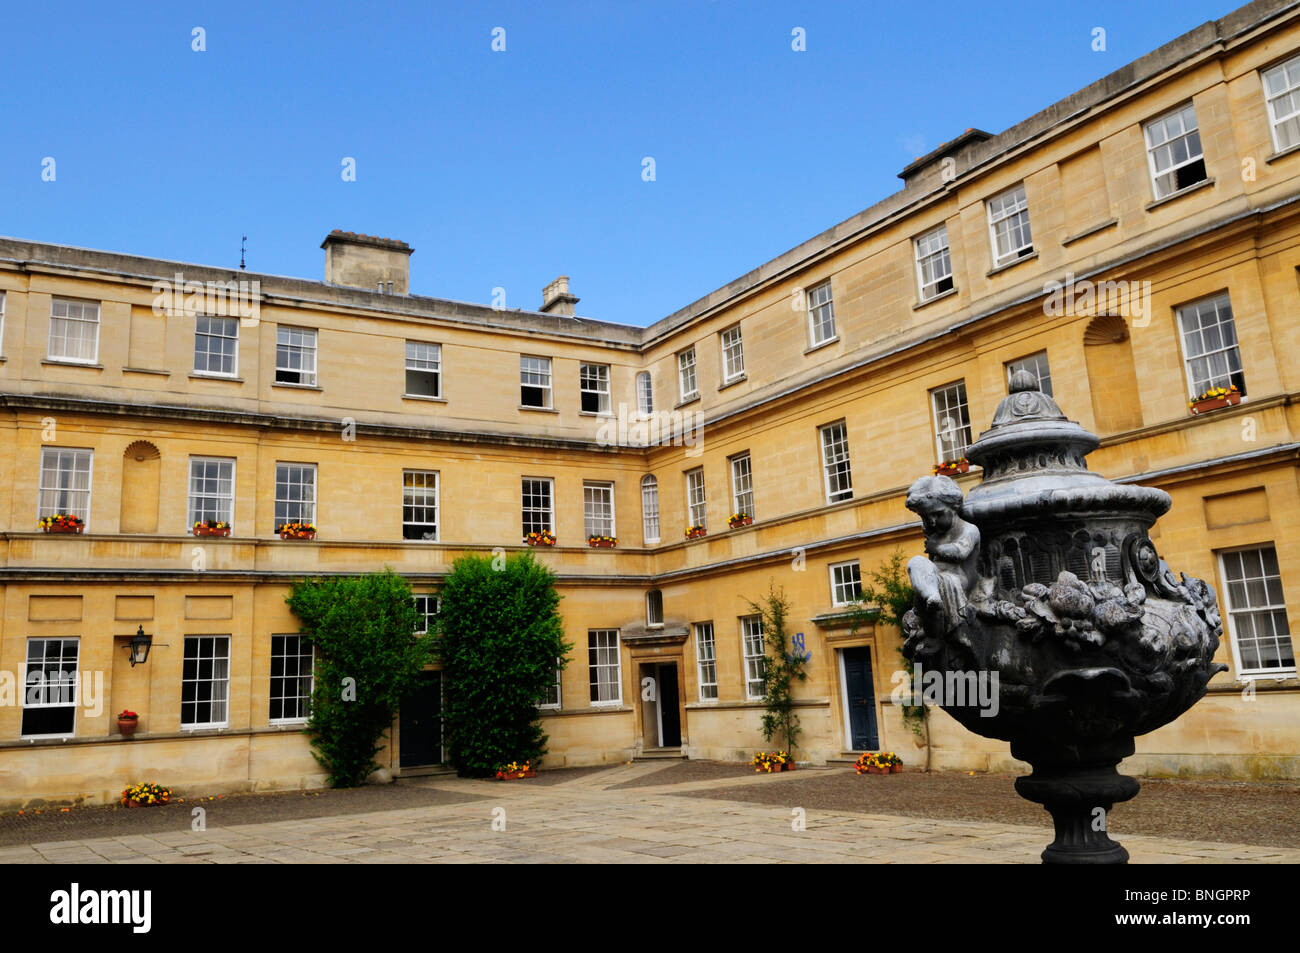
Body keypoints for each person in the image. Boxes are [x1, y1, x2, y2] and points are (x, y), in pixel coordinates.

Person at [905, 475, 980, 636]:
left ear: (955, 506)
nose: (931, 521)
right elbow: (930, 565)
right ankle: (931, 598)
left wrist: (936, 548)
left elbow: (961, 552)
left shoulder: (968, 529)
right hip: (935, 581)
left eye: (938, 514)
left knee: (934, 589)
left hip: (958, 580)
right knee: (916, 562)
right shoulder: (934, 535)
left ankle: (931, 602)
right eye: (925, 517)